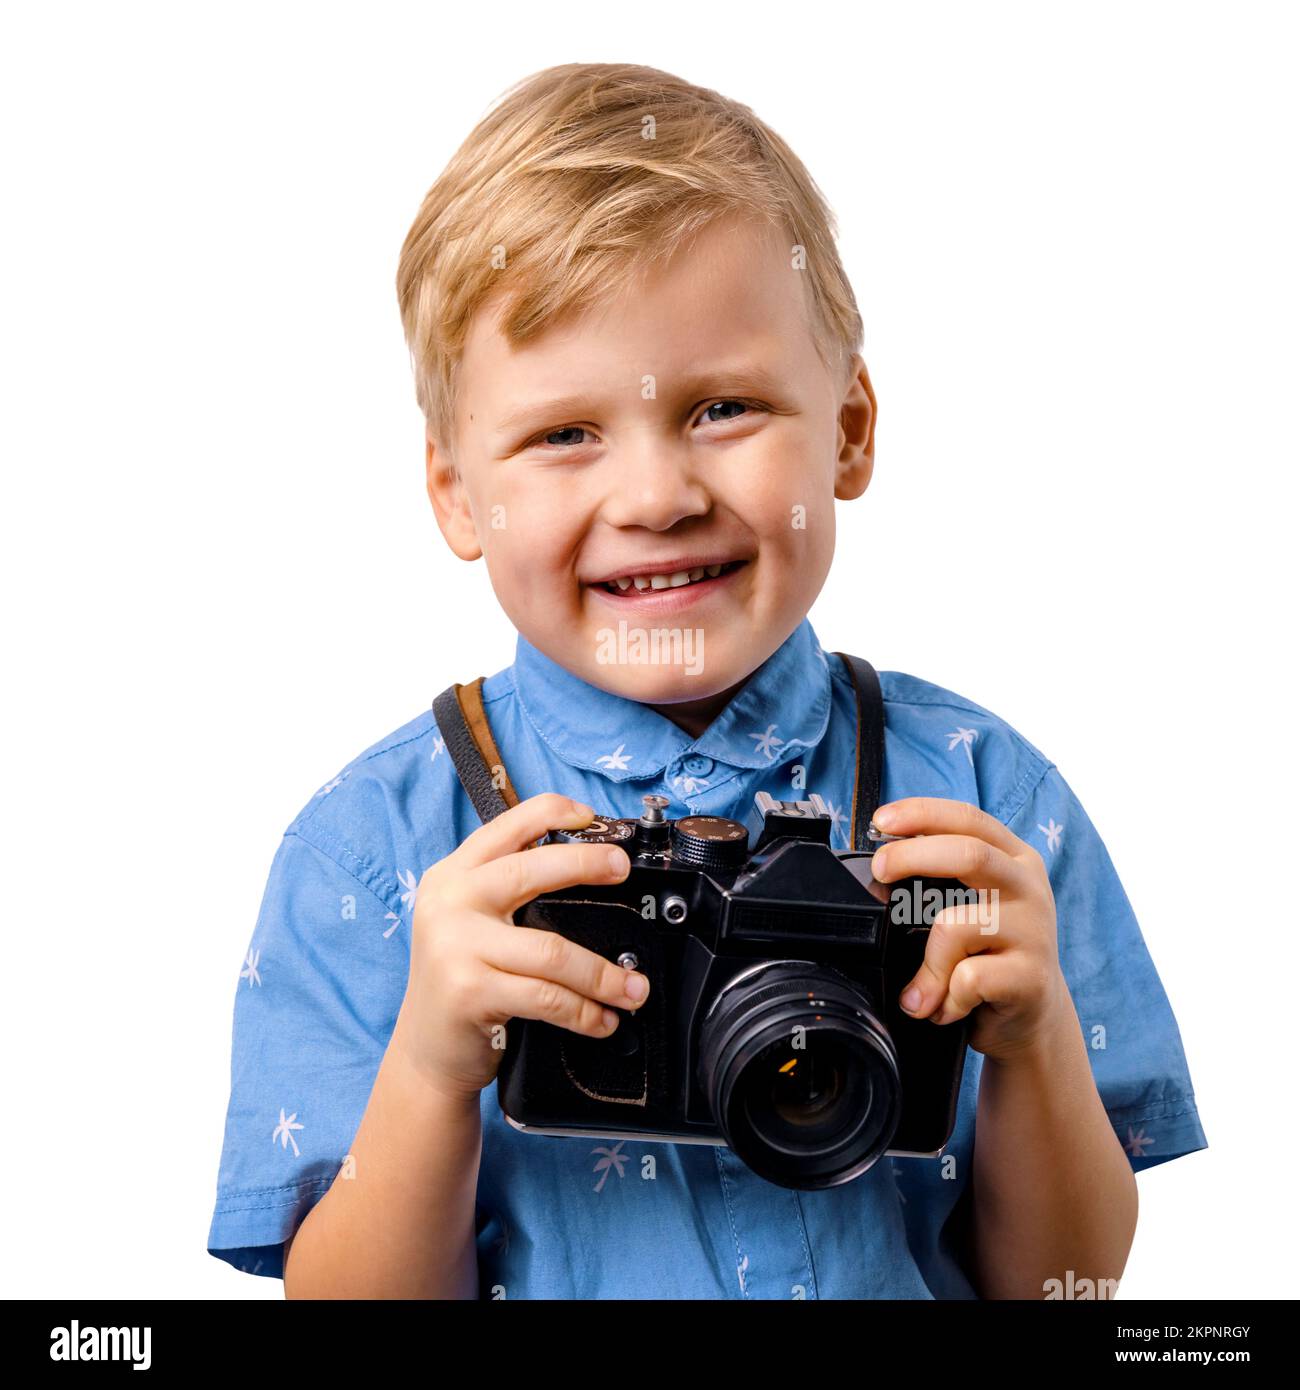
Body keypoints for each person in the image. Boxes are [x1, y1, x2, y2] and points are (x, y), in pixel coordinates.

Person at [207, 62, 1207, 1299]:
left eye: (724, 406)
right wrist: (427, 1070)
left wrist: (1038, 1039)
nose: (657, 497)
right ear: (458, 494)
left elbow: (1064, 1291)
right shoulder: (372, 855)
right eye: (564, 433)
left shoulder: (987, 804)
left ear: (847, 429)